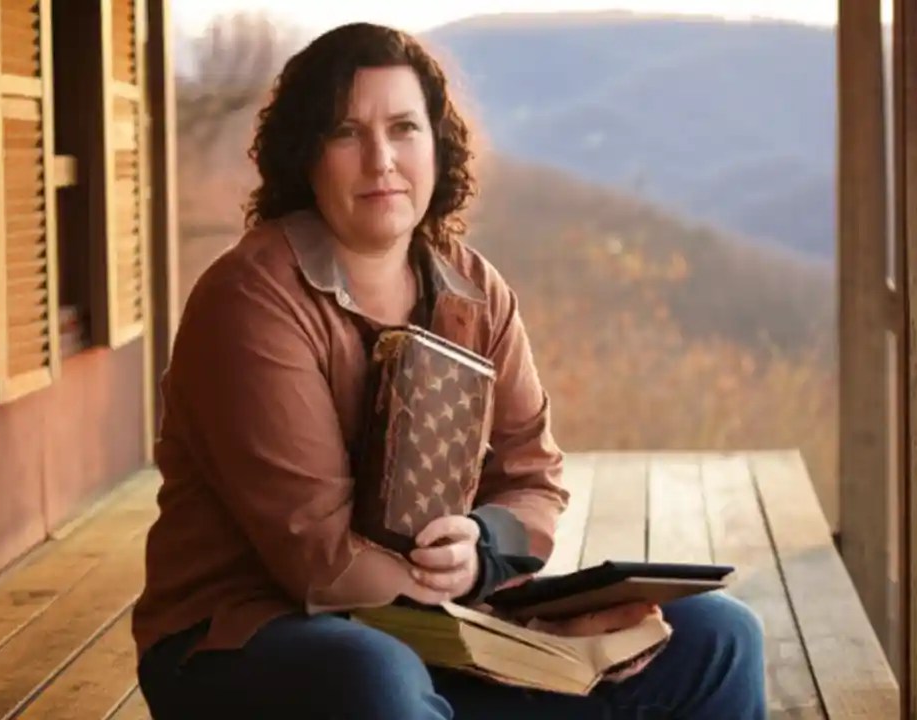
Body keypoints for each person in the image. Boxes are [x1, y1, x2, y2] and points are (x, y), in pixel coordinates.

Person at [132, 21, 767, 719]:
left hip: (442, 631)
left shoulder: (475, 290)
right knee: (375, 676)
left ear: (438, 146)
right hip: (249, 643)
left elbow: (533, 478)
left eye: (404, 128)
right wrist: (520, 626)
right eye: (346, 132)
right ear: (304, 156)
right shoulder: (250, 298)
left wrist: (487, 550)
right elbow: (320, 561)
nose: (382, 160)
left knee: (715, 635)